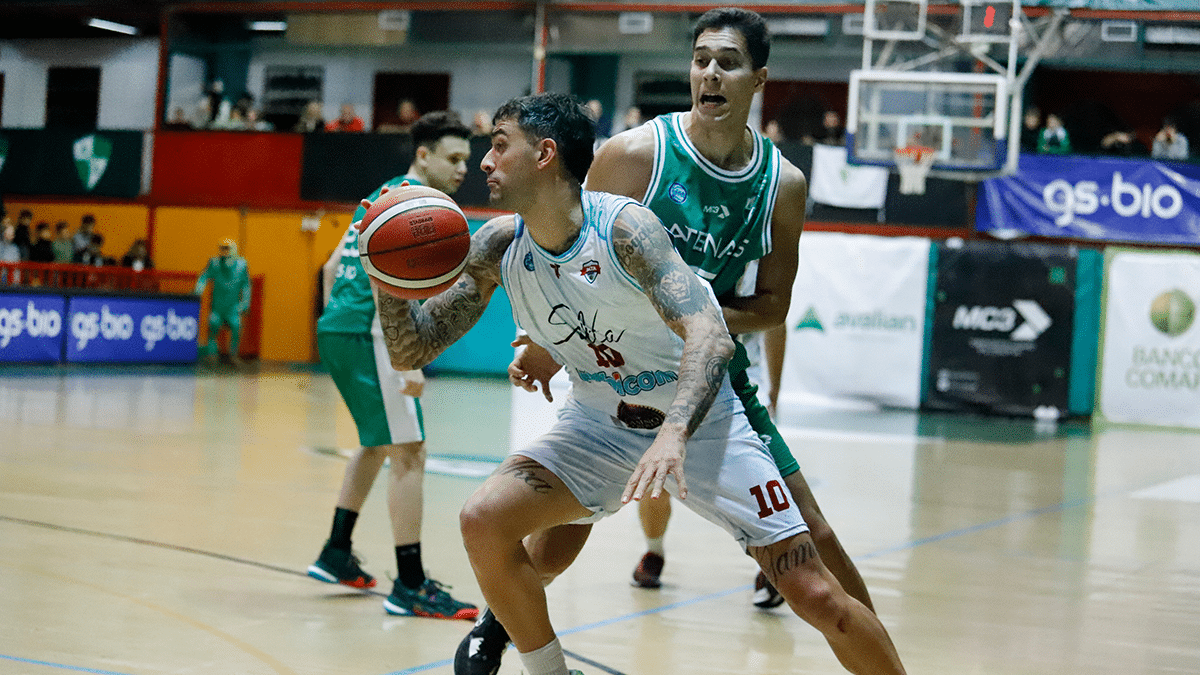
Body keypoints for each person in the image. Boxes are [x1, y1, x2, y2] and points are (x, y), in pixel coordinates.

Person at [371, 91, 905, 675]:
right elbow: (411, 347)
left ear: (545, 154)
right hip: (598, 423)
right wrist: (384, 274)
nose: (485, 161)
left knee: (817, 595)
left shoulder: (625, 230)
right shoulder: (499, 246)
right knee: (483, 518)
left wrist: (674, 433)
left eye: (500, 146)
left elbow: (712, 336)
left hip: (700, 425)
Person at [307, 111, 479, 620]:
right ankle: (410, 584)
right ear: (423, 155)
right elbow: (389, 287)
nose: (463, 168)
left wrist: (340, 321)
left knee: (379, 442)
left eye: (467, 160)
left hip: (341, 327)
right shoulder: (416, 207)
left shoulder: (383, 194)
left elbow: (330, 268)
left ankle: (336, 551)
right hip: (372, 332)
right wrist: (404, 359)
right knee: (410, 451)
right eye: (453, 157)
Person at [194, 238, 251, 364]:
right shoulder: (214, 264)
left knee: (236, 327)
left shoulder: (242, 265)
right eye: (223, 249)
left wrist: (245, 303)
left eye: (228, 249)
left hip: (233, 308)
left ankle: (233, 355)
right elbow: (204, 277)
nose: (225, 252)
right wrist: (198, 290)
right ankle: (212, 355)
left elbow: (246, 285)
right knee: (213, 326)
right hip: (217, 308)